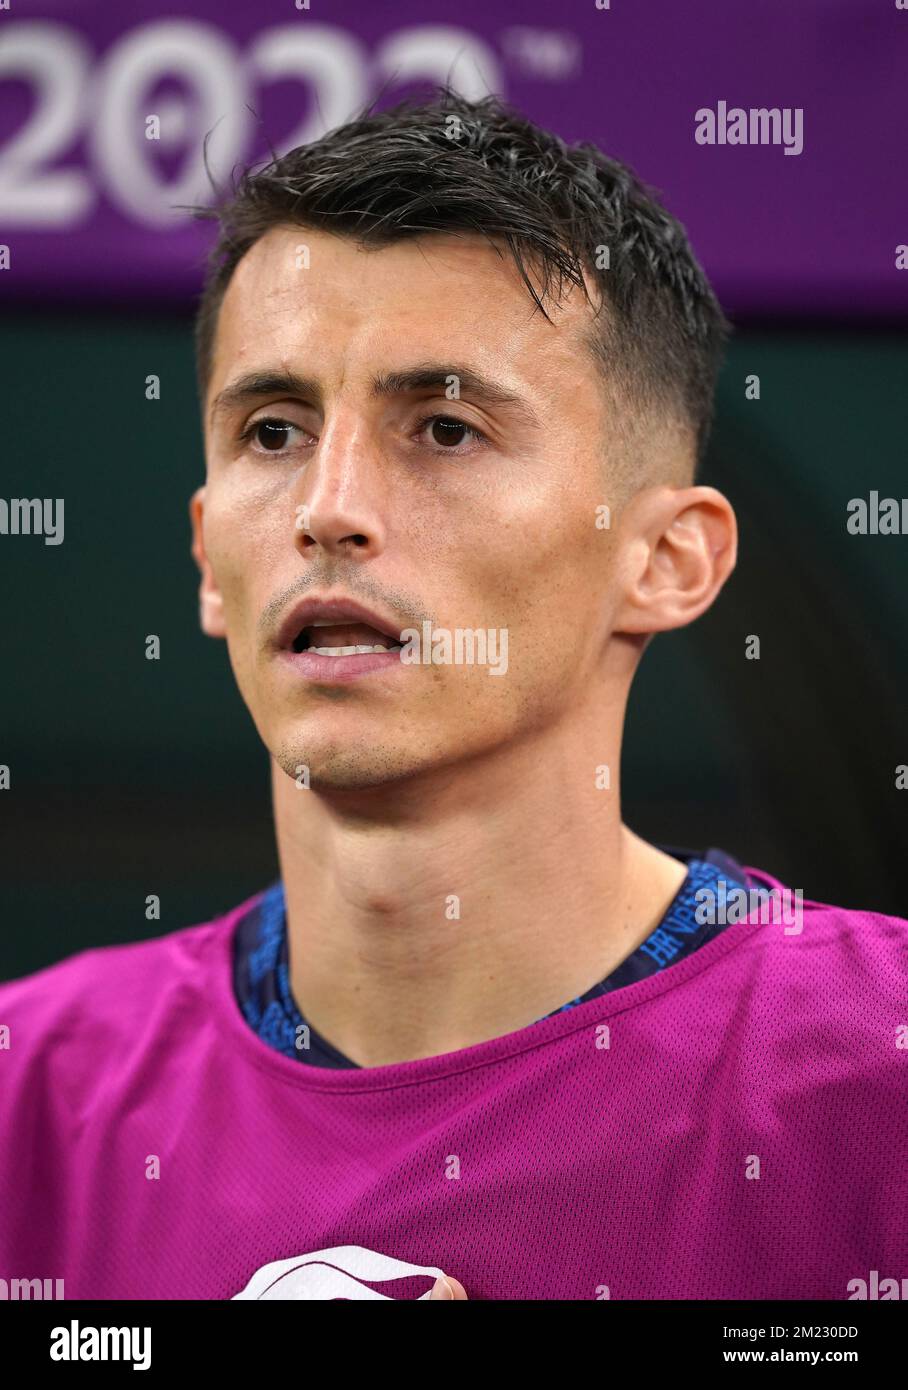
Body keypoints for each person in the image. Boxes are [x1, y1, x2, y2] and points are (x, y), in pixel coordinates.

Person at [1, 91, 904, 1302]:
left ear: (665, 560)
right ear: (208, 553)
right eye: (272, 430)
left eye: (442, 425)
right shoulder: (29, 1091)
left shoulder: (876, 1075)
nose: (328, 507)